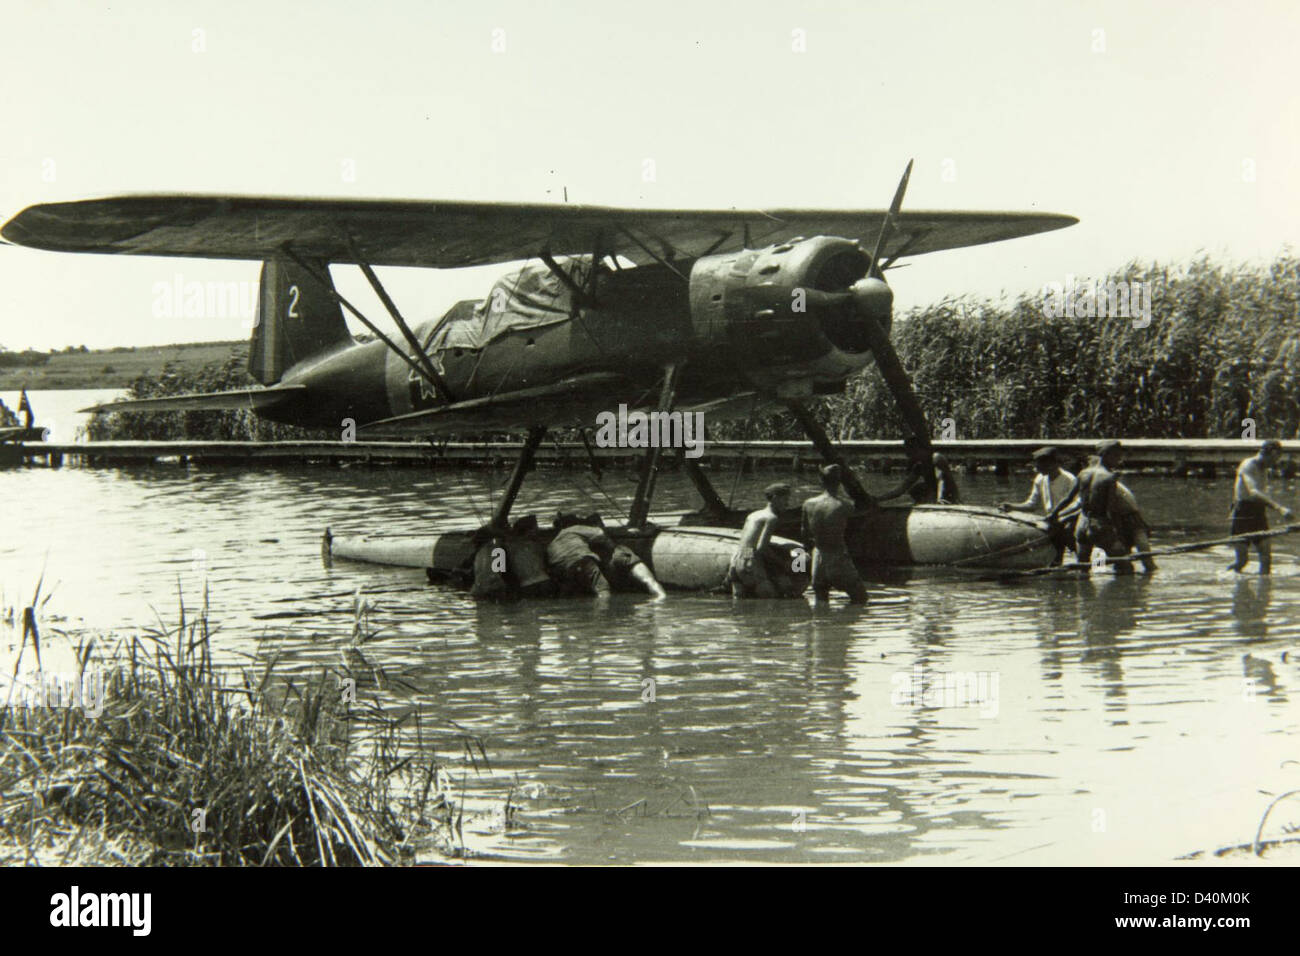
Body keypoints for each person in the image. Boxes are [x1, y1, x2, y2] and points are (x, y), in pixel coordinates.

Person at [1048, 440, 1155, 573]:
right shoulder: (1109, 477)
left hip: (1082, 525)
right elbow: (1111, 510)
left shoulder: (1083, 473)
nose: (1119, 461)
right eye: (1117, 456)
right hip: (1100, 526)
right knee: (1124, 565)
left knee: (1083, 566)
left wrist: (1053, 514)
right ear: (1107, 455)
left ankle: (1084, 590)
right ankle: (1122, 589)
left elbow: (1068, 498)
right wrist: (1119, 534)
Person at [800, 464, 868, 604]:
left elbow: (804, 533)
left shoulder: (808, 504)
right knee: (861, 599)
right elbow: (856, 530)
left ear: (821, 481)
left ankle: (823, 625)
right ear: (839, 482)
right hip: (838, 556)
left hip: (818, 558)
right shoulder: (845, 505)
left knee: (821, 603)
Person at [1000, 446, 1078, 564]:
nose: (1037, 469)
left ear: (1053, 464)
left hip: (1070, 521)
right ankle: (1061, 575)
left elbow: (1078, 503)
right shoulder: (1040, 479)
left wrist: (1060, 515)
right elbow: (1031, 505)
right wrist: (1012, 507)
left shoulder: (1070, 479)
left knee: (1083, 551)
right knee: (1056, 556)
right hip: (1053, 522)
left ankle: (1098, 569)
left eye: (1041, 465)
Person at [1228, 440, 1293, 574]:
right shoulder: (1248, 465)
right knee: (1242, 561)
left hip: (1258, 512)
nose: (1274, 463)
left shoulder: (1265, 468)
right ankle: (1227, 580)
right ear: (1267, 454)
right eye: (1274, 458)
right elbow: (1254, 492)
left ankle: (1264, 591)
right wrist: (1279, 508)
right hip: (1243, 512)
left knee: (1266, 559)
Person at [727, 482, 791, 598]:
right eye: (785, 499)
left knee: (739, 607)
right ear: (775, 498)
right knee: (771, 603)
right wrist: (783, 563)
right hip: (752, 565)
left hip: (736, 561)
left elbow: (747, 544)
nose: (787, 503)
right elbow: (761, 548)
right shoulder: (771, 518)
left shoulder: (753, 515)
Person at [877, 451, 959, 504]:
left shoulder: (936, 458)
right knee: (914, 490)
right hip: (933, 492)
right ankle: (925, 503)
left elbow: (941, 480)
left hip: (947, 493)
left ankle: (936, 502)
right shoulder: (919, 466)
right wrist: (880, 498)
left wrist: (940, 499)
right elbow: (902, 488)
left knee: (922, 488)